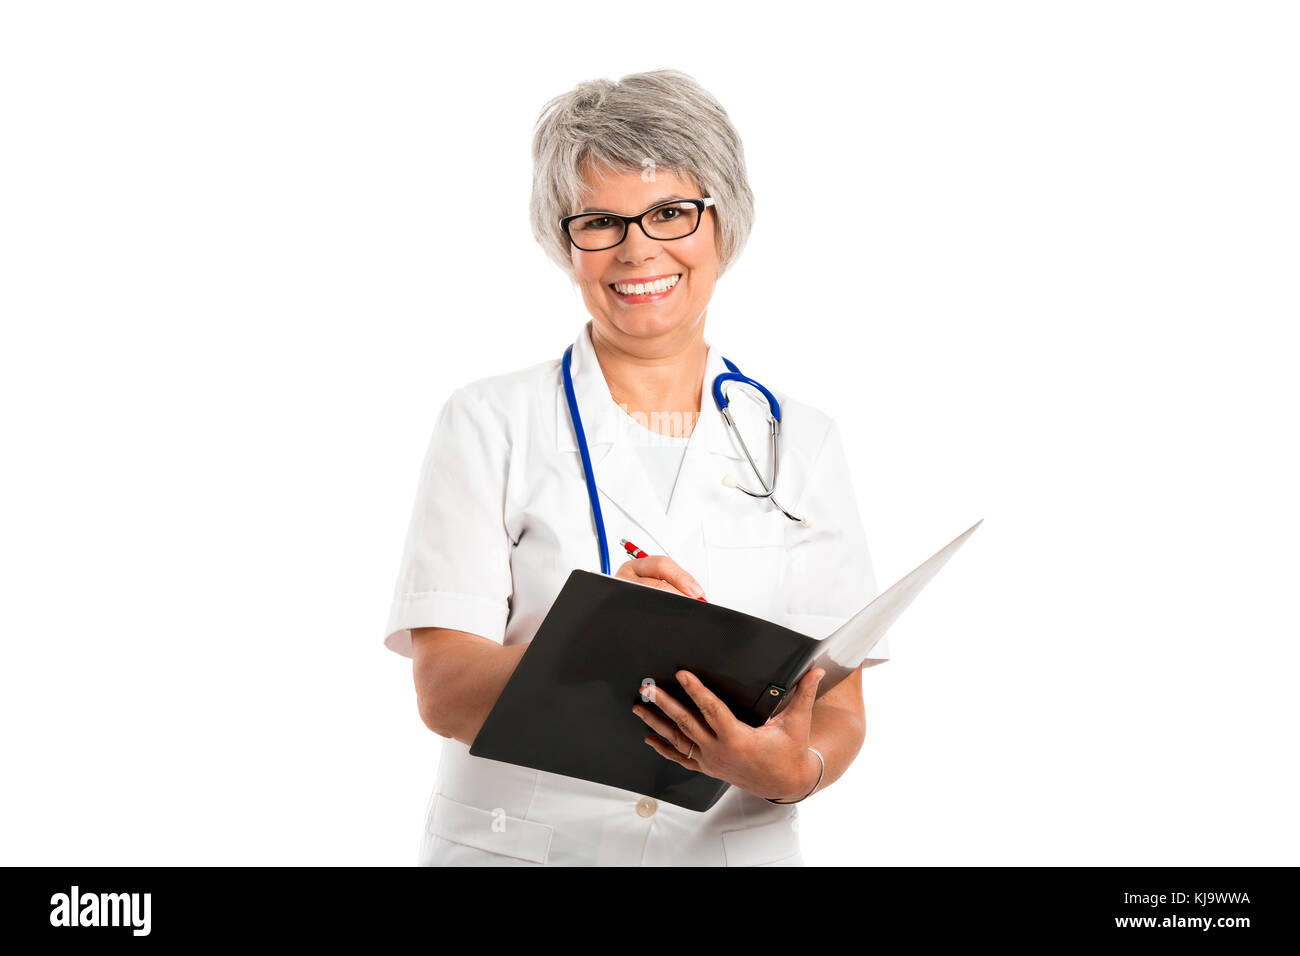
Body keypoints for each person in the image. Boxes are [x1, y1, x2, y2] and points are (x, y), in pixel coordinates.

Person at [382, 69, 889, 866]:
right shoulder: (488, 421)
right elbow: (443, 691)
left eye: (670, 213)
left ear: (724, 221)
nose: (637, 249)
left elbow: (837, 701)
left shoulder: (803, 440)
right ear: (566, 239)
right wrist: (598, 637)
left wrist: (795, 770)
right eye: (601, 222)